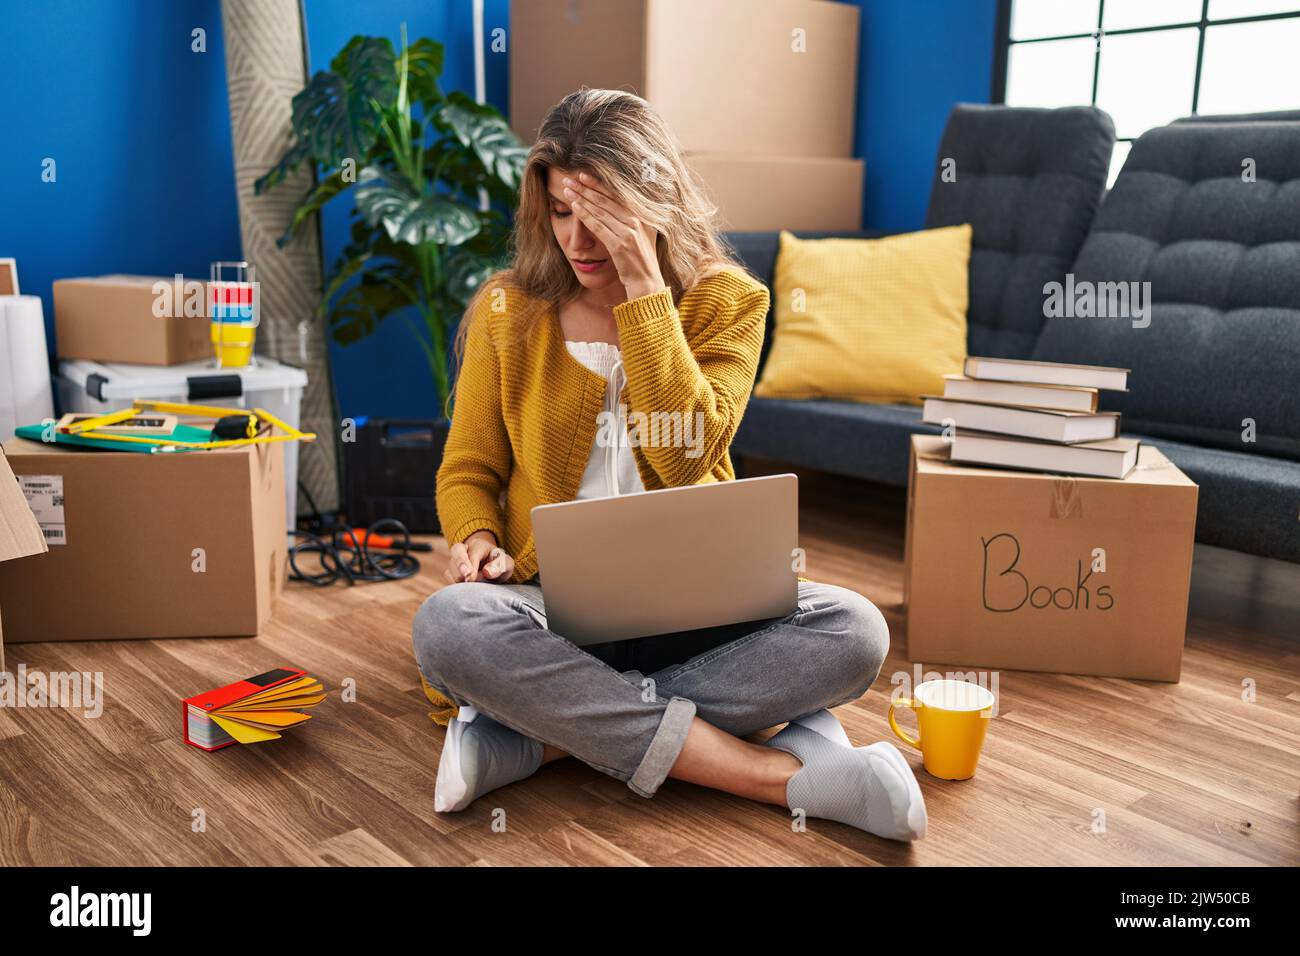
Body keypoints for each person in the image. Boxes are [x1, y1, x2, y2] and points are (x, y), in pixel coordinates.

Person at [411, 88, 927, 841]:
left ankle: (540, 738)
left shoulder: (727, 302)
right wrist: (478, 539)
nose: (579, 239)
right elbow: (468, 469)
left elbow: (686, 457)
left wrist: (646, 293)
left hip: (699, 614)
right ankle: (773, 777)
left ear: (654, 198)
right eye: (561, 211)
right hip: (549, 611)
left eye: (604, 213)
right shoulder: (508, 310)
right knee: (447, 625)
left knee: (856, 631)